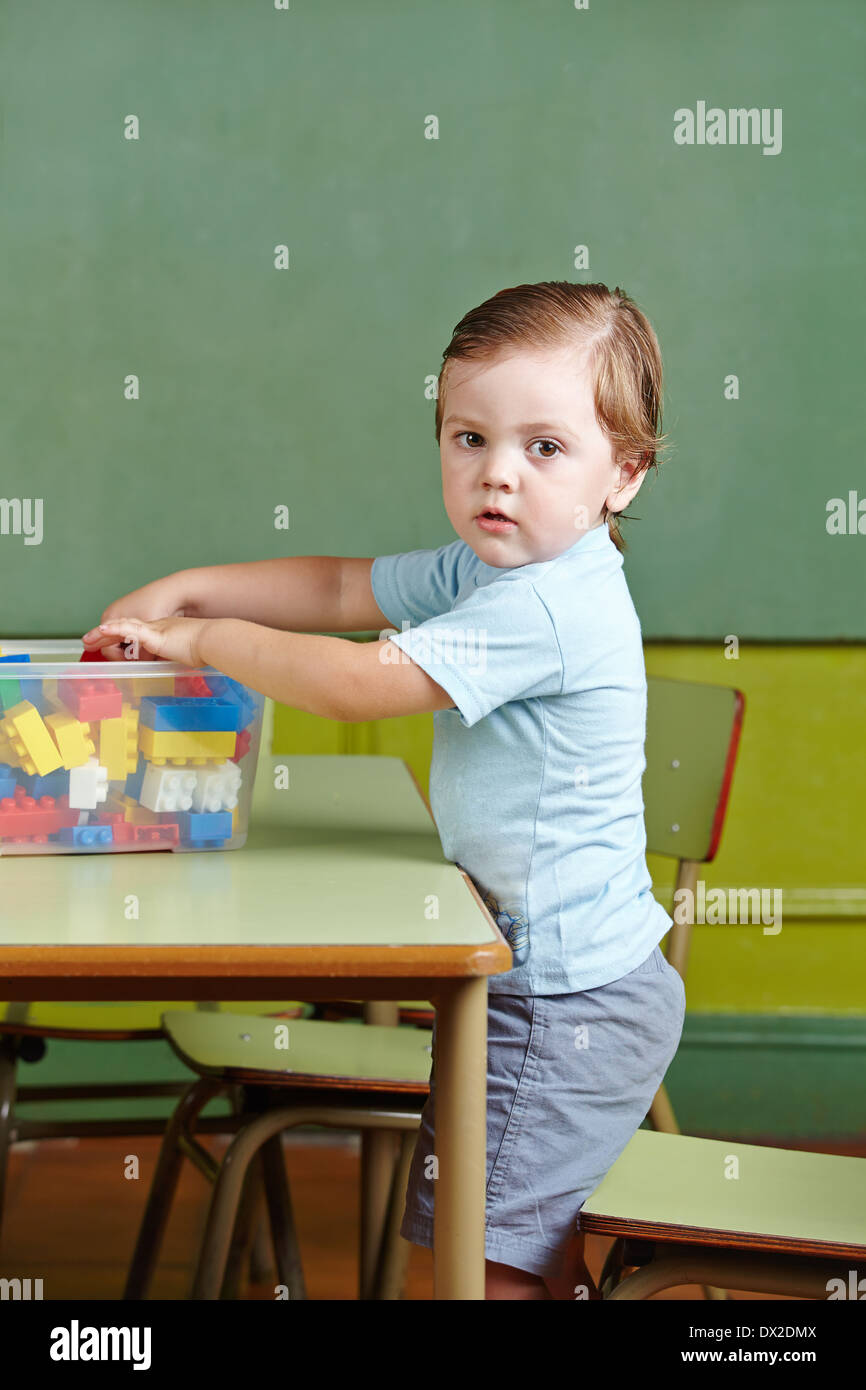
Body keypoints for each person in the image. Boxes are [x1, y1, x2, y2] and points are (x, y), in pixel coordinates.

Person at [84, 280, 686, 1300]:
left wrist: (197, 639)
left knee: (471, 1269)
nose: (496, 474)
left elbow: (355, 682)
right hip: (529, 983)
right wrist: (188, 586)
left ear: (621, 474)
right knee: (492, 1253)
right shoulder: (492, 570)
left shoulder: (546, 604)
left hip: (558, 1001)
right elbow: (334, 588)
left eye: (543, 448)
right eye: (467, 438)